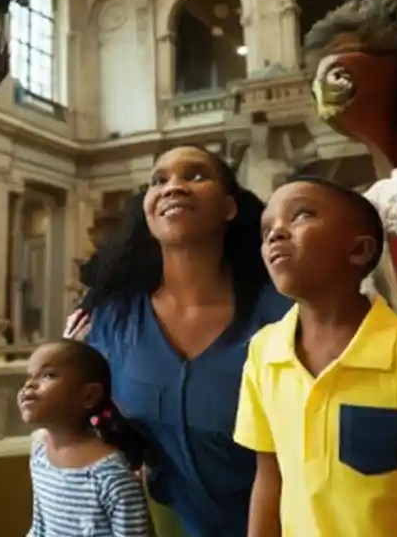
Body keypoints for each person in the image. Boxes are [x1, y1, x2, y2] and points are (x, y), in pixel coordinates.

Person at [237, 176, 397, 537]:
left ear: (359, 250)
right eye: (266, 229)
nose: (276, 233)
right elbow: (269, 477)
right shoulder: (264, 353)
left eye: (301, 215)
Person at [64, 145, 291, 537]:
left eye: (196, 175)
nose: (173, 187)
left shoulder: (285, 315)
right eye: (159, 180)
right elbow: (93, 423)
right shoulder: (115, 319)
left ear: (229, 207)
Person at [19, 339, 150, 537]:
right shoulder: (39, 452)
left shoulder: (111, 477)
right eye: (29, 377)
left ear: (89, 395)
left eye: (48, 375)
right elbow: (39, 527)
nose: (29, 385)